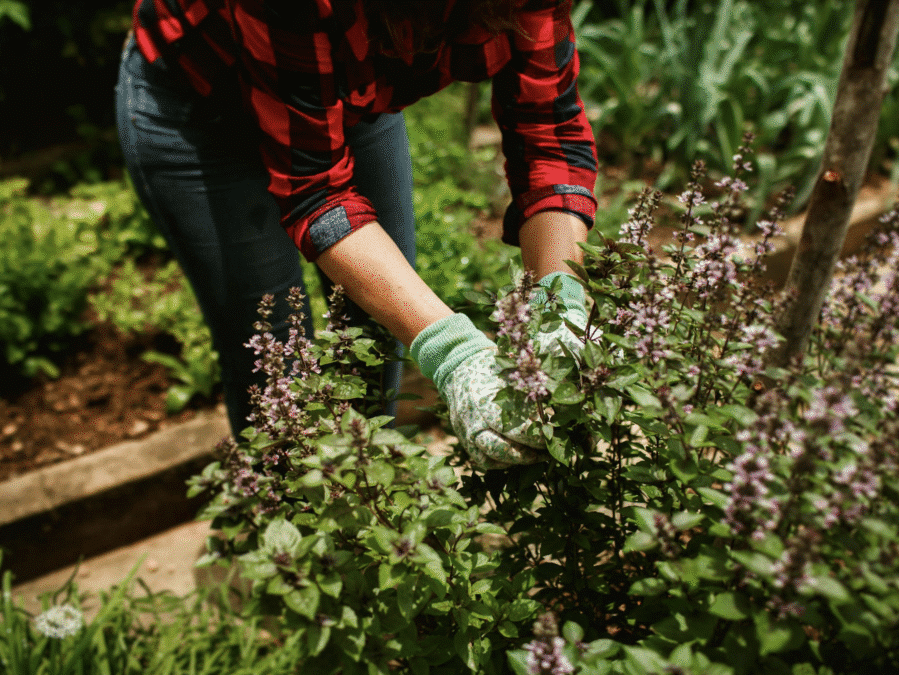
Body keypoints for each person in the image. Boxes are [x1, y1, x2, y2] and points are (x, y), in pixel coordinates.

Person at [115, 0, 598, 470]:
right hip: (206, 114)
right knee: (276, 367)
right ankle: (287, 526)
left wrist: (559, 308)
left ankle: (368, 513)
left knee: (378, 335)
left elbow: (549, 134)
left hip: (345, 93)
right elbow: (316, 188)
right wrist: (457, 354)